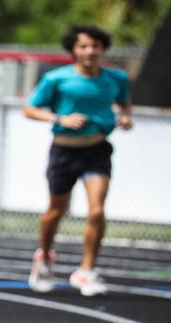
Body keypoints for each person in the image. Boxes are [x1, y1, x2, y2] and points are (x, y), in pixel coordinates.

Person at [23, 24, 132, 297]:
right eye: (83, 46)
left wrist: (126, 117)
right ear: (73, 50)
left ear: (103, 49)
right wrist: (60, 118)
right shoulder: (57, 79)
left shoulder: (116, 78)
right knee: (55, 211)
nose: (90, 51)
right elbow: (30, 109)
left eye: (95, 46)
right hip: (64, 151)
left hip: (96, 149)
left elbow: (124, 103)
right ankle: (45, 256)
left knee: (96, 210)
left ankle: (86, 270)